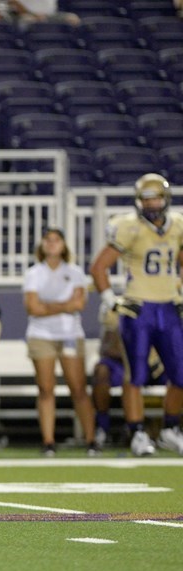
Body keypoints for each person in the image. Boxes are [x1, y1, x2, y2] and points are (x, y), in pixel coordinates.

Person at [90, 173, 183, 457]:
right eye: (146, 198)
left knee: (180, 374)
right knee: (137, 375)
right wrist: (112, 301)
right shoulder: (128, 227)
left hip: (168, 307)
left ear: (165, 199)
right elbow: (98, 267)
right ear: (138, 201)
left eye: (155, 197)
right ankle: (138, 432)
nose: (151, 203)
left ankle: (169, 429)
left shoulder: (178, 225)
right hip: (139, 308)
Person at [22, 227, 98, 457]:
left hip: (69, 334)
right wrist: (63, 306)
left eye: (57, 240)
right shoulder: (33, 273)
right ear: (42, 244)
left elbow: (78, 305)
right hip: (41, 335)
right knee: (46, 389)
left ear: (64, 245)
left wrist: (48, 307)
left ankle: (92, 440)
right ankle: (48, 442)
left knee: (79, 389)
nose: (52, 244)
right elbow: (32, 307)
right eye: (48, 240)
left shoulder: (75, 272)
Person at [91, 311, 183, 452]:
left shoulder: (169, 304)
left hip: (159, 365)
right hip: (126, 362)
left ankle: (171, 428)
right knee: (115, 373)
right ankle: (117, 428)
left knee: (180, 372)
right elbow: (107, 347)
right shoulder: (121, 307)